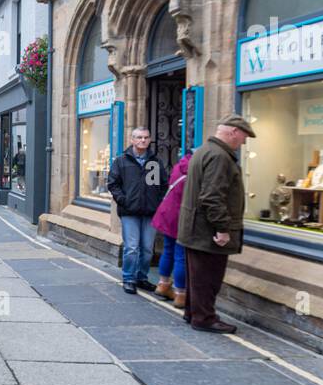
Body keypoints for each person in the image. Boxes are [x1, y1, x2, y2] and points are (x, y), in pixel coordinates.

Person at [178, 115, 256, 334]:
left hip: (195, 228)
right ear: (233, 132)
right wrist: (222, 229)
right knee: (208, 278)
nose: (243, 142)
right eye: (243, 137)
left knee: (197, 276)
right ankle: (204, 318)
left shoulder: (204, 150)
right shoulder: (220, 156)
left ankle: (193, 313)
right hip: (207, 231)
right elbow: (212, 196)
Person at [106, 127, 165, 295]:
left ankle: (141, 278)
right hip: (129, 212)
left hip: (149, 212)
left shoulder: (154, 162)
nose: (143, 140)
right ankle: (129, 279)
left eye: (146, 137)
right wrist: (125, 201)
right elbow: (113, 184)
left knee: (147, 249)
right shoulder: (122, 161)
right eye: (139, 137)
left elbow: (162, 185)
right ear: (132, 140)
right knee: (132, 247)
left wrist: (157, 203)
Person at [151, 152, 191, 310]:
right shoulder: (195, 169)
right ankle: (181, 294)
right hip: (182, 215)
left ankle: (163, 285)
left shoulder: (179, 166)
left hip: (168, 214)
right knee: (181, 255)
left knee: (168, 250)